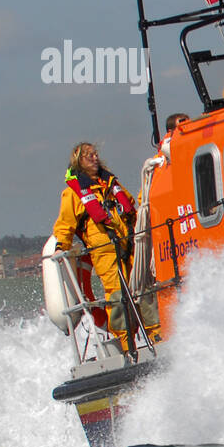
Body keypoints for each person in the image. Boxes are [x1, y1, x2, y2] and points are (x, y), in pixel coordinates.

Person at [53, 143, 153, 344]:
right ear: (79, 160)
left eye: (96, 154)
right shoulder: (73, 193)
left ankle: (155, 334)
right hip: (105, 253)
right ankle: (126, 343)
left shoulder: (110, 183)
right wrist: (60, 247)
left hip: (129, 245)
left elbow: (130, 205)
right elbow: (65, 223)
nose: (95, 158)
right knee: (117, 296)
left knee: (146, 288)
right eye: (89, 155)